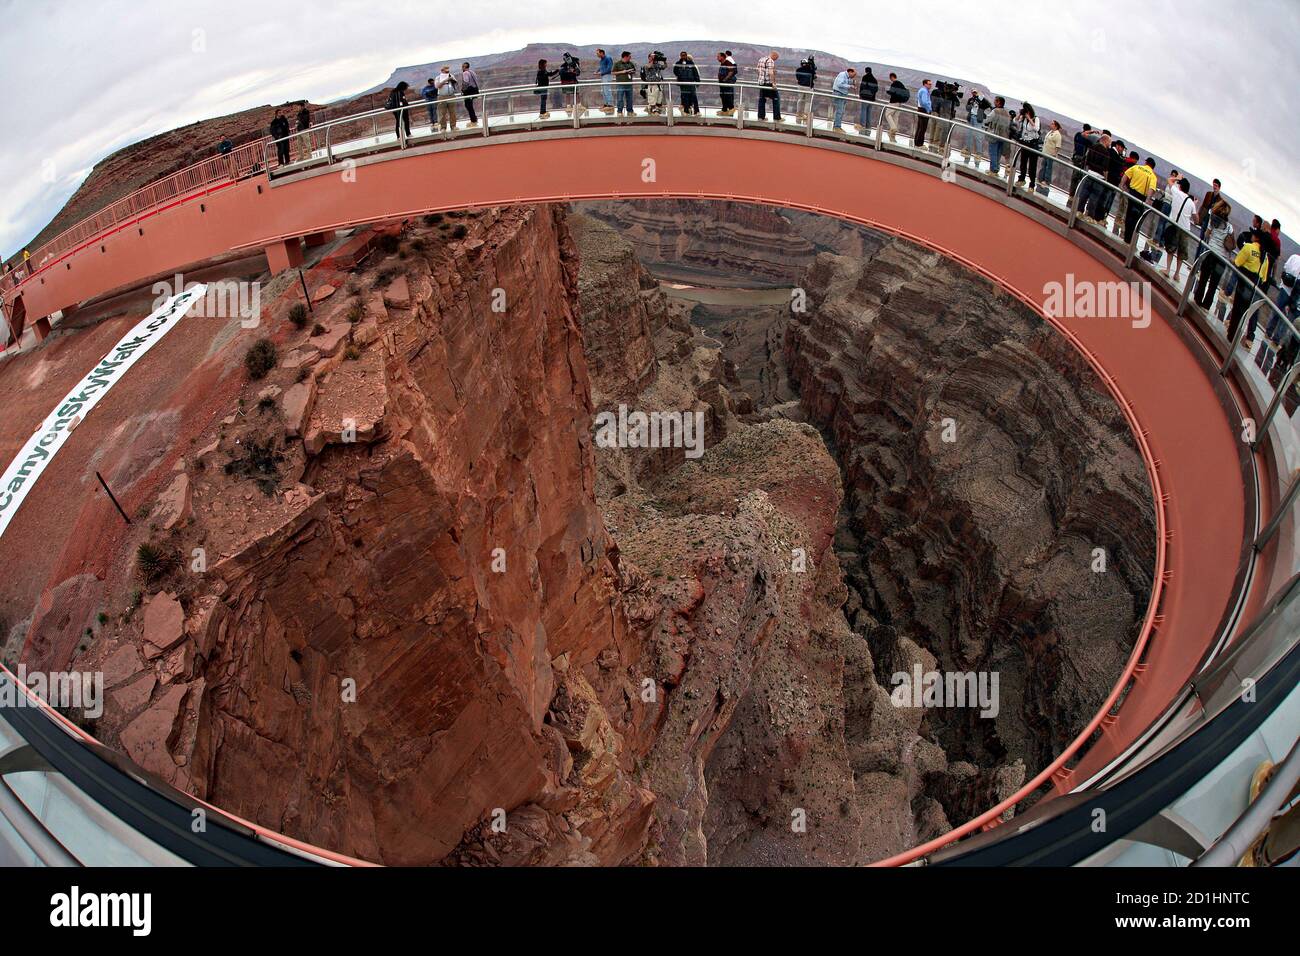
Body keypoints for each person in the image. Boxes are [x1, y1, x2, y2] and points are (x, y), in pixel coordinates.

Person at [1193, 199, 1234, 310]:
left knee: (1204, 278)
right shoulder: (1229, 227)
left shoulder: (1212, 221)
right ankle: (1207, 305)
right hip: (1222, 259)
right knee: (1214, 283)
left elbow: (1207, 234)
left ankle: (1198, 299)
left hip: (1210, 253)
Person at [1120, 156, 1158, 243]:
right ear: (1153, 167)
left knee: (1129, 214)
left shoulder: (1137, 167)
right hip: (1141, 198)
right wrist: (1148, 200)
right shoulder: (1153, 176)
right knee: (1136, 219)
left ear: (1146, 163)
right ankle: (1130, 239)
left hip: (1132, 194)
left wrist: (1121, 186)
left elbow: (1126, 175)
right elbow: (1151, 189)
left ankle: (1126, 237)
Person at [1076, 131, 1112, 220]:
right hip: (1099, 178)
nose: (1109, 144)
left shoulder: (1092, 147)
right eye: (1109, 142)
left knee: (1084, 194)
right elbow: (1105, 169)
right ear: (1105, 141)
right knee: (1094, 198)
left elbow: (1087, 160)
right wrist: (1106, 180)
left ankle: (1079, 211)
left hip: (1089, 174)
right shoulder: (1106, 153)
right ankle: (1089, 216)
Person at [1014, 102, 1041, 188]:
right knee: (1023, 163)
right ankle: (1021, 179)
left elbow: (1036, 128)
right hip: (1025, 143)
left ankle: (1032, 184)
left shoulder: (1036, 119)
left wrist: (1029, 118)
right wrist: (1020, 114)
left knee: (1032, 166)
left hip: (1033, 144)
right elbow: (1015, 121)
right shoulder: (1023, 118)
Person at [1068, 123, 1099, 196]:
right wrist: (1093, 132)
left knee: (1074, 176)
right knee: (1078, 177)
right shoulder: (1086, 139)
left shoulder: (1077, 135)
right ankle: (1075, 194)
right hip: (1082, 159)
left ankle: (1071, 192)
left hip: (1075, 157)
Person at [984, 96, 1011, 176]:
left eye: (995, 101)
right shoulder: (1007, 113)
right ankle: (996, 169)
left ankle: (993, 170)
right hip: (1003, 136)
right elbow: (1008, 124)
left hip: (994, 134)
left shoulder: (995, 111)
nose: (994, 102)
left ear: (999, 102)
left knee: (993, 152)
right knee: (998, 153)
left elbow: (987, 119)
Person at [962, 90, 988, 166]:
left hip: (978, 119)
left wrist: (981, 100)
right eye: (973, 92)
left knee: (978, 137)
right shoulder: (970, 100)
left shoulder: (982, 101)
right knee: (968, 135)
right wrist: (972, 103)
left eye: (976, 92)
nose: (974, 94)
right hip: (971, 117)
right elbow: (967, 108)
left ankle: (978, 154)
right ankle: (968, 151)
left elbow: (987, 105)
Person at [757, 51, 782, 122]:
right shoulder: (770, 61)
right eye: (775, 59)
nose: (775, 60)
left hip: (761, 83)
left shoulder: (761, 59)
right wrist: (773, 83)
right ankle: (777, 118)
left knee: (762, 99)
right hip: (768, 83)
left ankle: (761, 117)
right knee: (776, 99)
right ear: (774, 56)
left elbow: (759, 71)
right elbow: (771, 73)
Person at [1039, 119, 1062, 193]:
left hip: (1051, 154)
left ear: (1055, 126)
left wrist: (1055, 154)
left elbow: (1058, 146)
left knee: (1049, 168)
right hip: (1045, 152)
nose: (1050, 124)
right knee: (1043, 166)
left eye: (1052, 124)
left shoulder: (1057, 135)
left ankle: (1046, 181)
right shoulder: (1050, 132)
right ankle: (1040, 179)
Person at [884, 72, 908, 142]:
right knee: (895, 117)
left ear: (891, 77)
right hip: (900, 103)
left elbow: (893, 92)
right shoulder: (901, 84)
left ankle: (893, 128)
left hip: (894, 102)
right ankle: (893, 134)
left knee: (888, 114)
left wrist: (888, 91)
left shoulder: (894, 84)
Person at [434, 66, 459, 132]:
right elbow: (437, 86)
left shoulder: (451, 76)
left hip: (451, 95)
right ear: (442, 70)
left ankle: (453, 126)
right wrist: (445, 80)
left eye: (448, 71)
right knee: (442, 113)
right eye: (446, 71)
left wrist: (453, 80)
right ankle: (443, 127)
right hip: (442, 96)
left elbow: (456, 84)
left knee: (452, 112)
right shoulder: (438, 78)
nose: (447, 72)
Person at [613, 51, 636, 116]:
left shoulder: (630, 63)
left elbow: (634, 70)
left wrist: (631, 71)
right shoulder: (617, 63)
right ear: (625, 57)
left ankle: (630, 111)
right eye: (629, 56)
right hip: (620, 84)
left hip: (629, 84)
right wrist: (622, 72)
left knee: (629, 99)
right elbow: (613, 72)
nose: (630, 58)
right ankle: (619, 112)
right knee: (620, 98)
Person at [857, 67, 879, 132]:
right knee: (869, 112)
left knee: (863, 111)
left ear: (866, 71)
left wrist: (860, 94)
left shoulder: (865, 77)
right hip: (871, 98)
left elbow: (862, 86)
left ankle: (862, 126)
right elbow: (876, 89)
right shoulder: (875, 79)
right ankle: (868, 127)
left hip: (865, 97)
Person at [794, 57, 815, 122]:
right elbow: (814, 70)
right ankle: (805, 115)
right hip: (808, 87)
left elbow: (797, 78)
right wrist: (811, 62)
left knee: (800, 99)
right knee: (808, 101)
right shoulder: (810, 70)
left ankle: (799, 113)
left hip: (800, 86)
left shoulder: (798, 70)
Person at [914, 79, 933, 149]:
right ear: (925, 84)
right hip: (924, 110)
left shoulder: (922, 90)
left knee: (920, 127)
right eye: (929, 84)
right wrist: (928, 109)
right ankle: (919, 144)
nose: (930, 85)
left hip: (921, 109)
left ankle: (917, 142)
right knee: (922, 128)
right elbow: (924, 102)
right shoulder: (924, 91)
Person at [596, 49, 614, 114]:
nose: (597, 55)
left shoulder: (608, 58)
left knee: (607, 90)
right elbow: (601, 67)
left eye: (598, 53)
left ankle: (610, 104)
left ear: (602, 53)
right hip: (603, 76)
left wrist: (601, 73)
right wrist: (597, 71)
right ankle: (606, 104)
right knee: (603, 91)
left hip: (607, 76)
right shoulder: (601, 60)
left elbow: (609, 68)